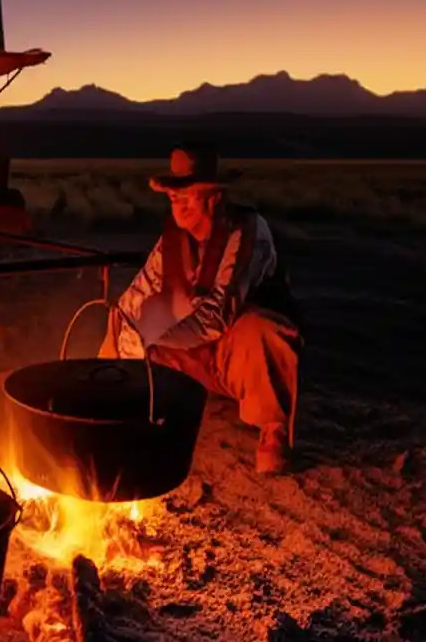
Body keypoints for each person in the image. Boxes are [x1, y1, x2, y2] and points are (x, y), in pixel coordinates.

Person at [98, 145, 302, 474]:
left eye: (186, 193)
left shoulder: (246, 232)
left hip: (236, 351)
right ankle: (117, 409)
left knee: (259, 330)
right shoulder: (174, 239)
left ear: (213, 197)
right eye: (171, 194)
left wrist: (153, 341)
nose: (176, 201)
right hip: (195, 349)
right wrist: (117, 346)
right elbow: (138, 294)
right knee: (127, 328)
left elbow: (219, 311)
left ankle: (273, 429)